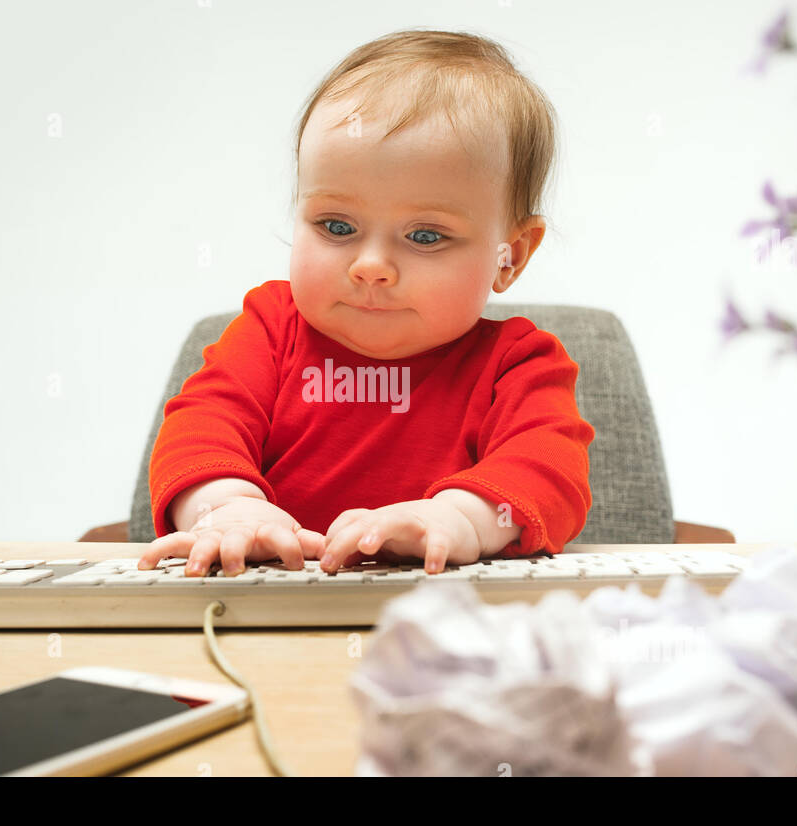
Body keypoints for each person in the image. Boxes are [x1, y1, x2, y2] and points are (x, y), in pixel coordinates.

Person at [140, 29, 595, 578]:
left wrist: (458, 520)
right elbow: (200, 431)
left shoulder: (520, 365)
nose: (370, 265)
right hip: (262, 608)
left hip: (446, 616)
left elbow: (551, 473)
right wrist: (229, 509)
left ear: (510, 256)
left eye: (426, 236)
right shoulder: (270, 329)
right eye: (337, 226)